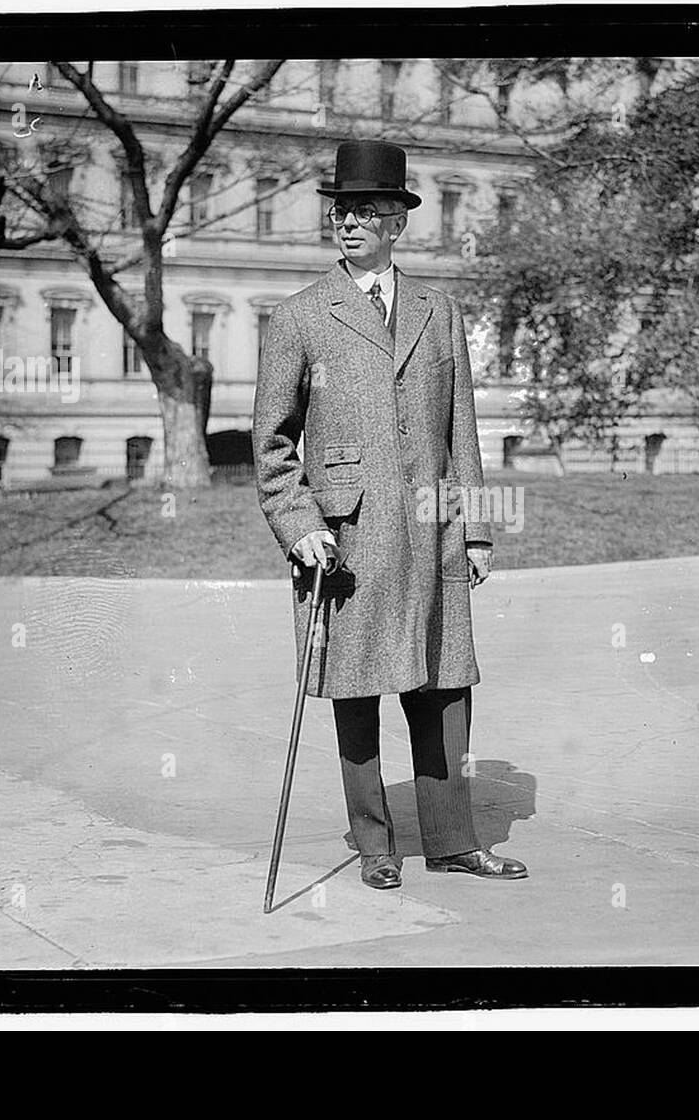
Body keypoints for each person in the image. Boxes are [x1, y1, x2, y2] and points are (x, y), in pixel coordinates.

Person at [253, 139, 528, 890]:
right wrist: (298, 522)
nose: (349, 223)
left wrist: (474, 529)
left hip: (434, 529)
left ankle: (452, 840)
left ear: (398, 224)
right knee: (356, 690)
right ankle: (376, 846)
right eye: (342, 211)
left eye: (367, 212)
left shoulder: (441, 312)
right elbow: (272, 442)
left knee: (443, 689)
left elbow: (461, 429)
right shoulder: (300, 318)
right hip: (347, 537)